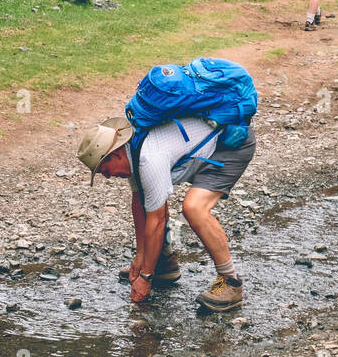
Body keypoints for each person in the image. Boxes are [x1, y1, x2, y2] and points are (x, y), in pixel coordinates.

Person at [78, 113, 256, 311]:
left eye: (105, 170)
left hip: (230, 145)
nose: (109, 177)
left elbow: (157, 220)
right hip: (207, 143)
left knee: (194, 207)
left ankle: (231, 283)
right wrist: (141, 257)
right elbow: (140, 203)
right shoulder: (132, 147)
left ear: (115, 154)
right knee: (153, 199)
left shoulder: (148, 158)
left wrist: (145, 277)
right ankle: (164, 264)